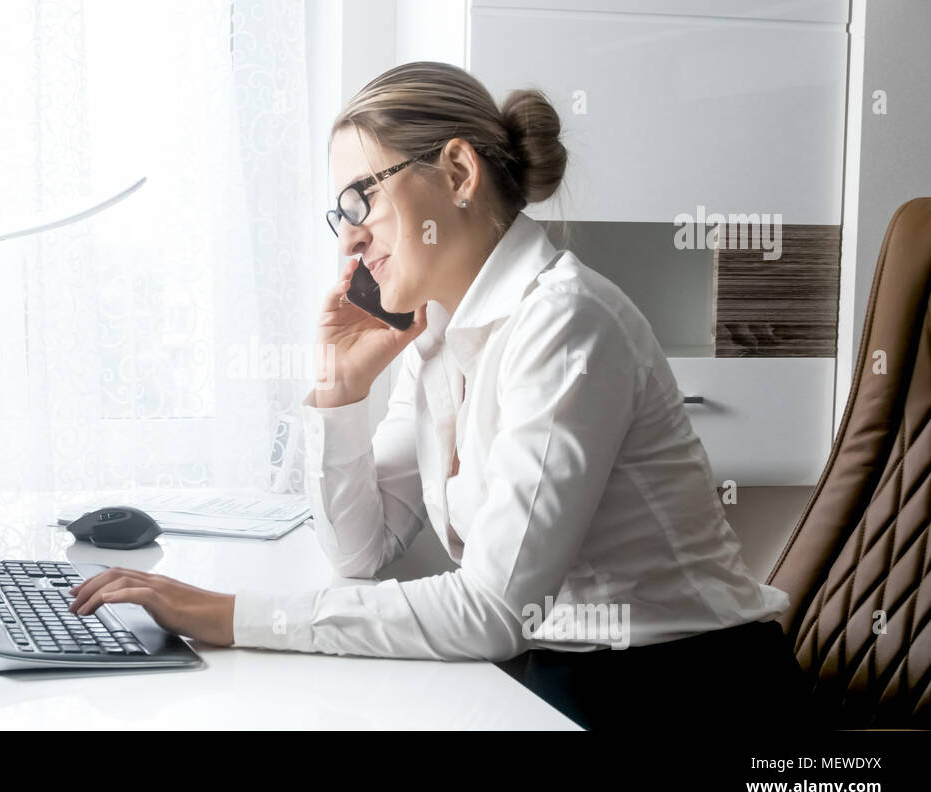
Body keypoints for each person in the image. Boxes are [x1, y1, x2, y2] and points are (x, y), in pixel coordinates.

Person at [68, 62, 808, 729]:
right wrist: (340, 387)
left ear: (457, 172)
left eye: (361, 198)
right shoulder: (437, 336)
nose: (350, 241)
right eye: (341, 215)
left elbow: (491, 611)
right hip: (562, 672)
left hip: (687, 690)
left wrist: (225, 614)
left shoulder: (564, 321)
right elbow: (359, 550)